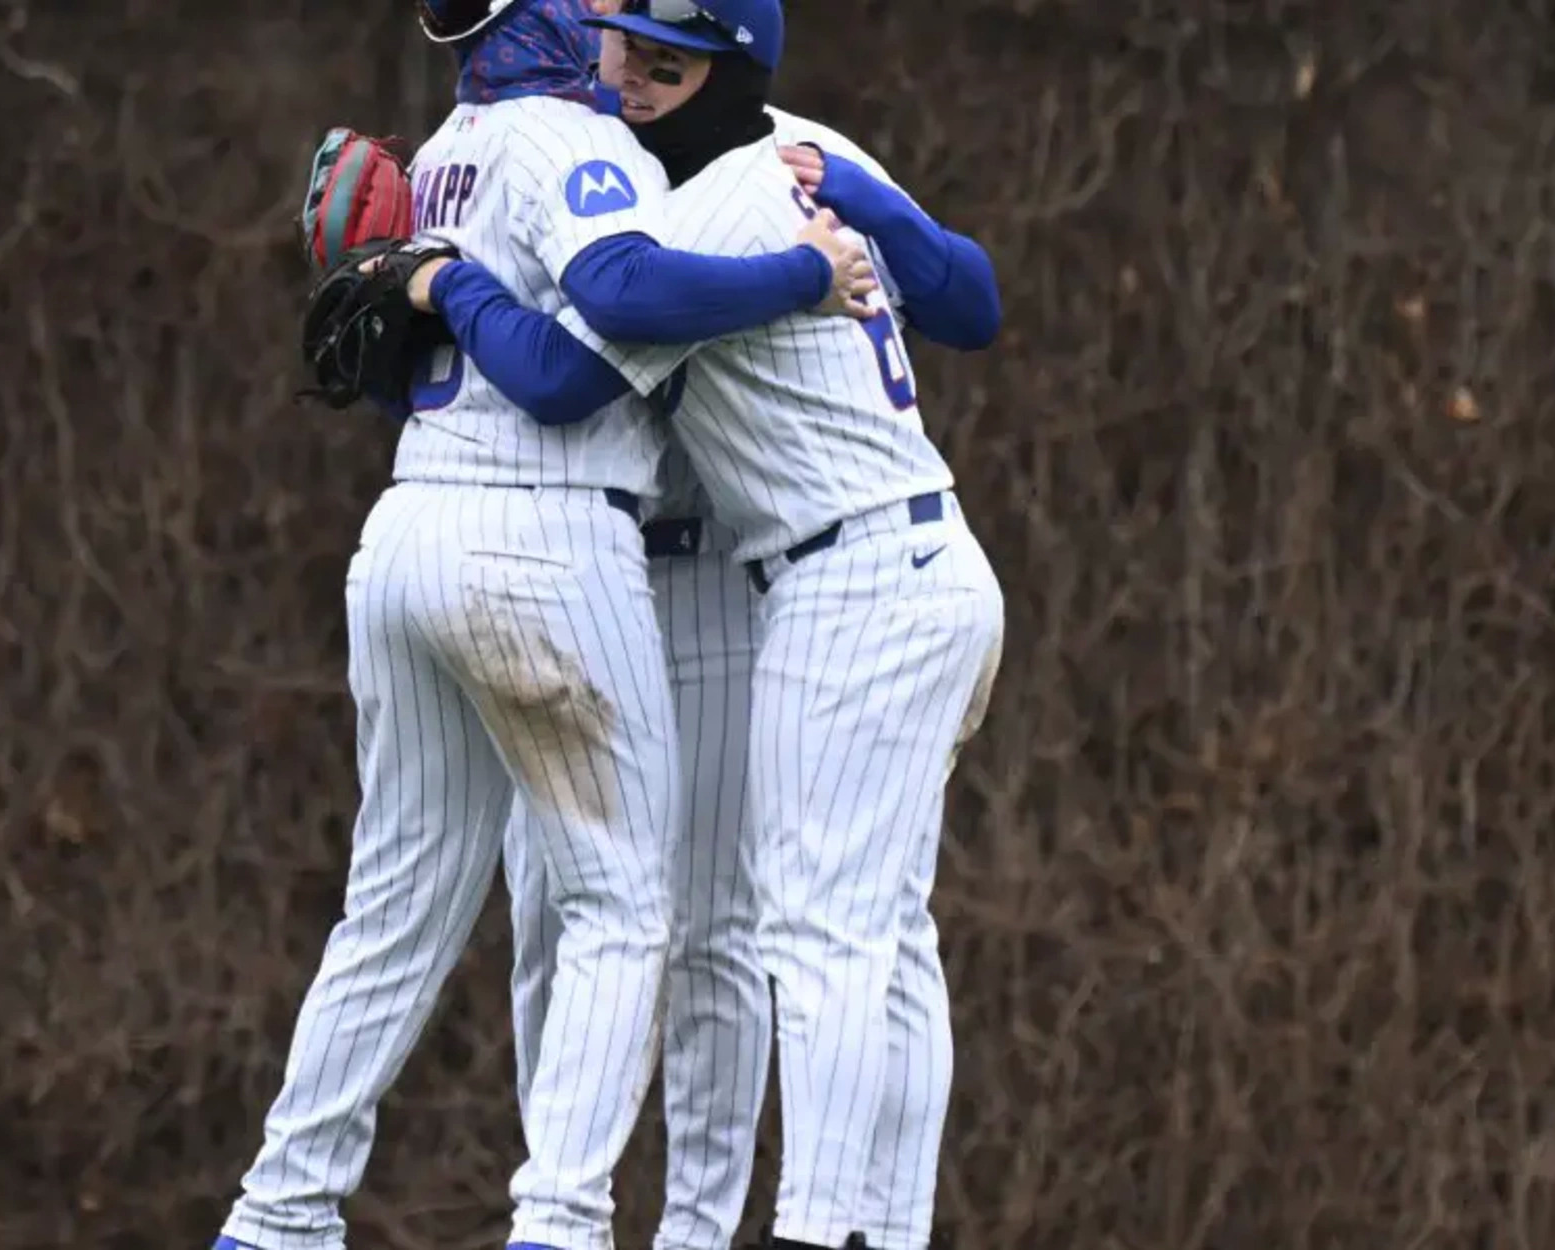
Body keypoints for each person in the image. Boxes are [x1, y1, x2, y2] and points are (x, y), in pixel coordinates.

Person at [208, 3, 882, 1250]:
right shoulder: (574, 140)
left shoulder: (445, 148)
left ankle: (276, 1216)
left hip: (409, 530)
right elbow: (593, 342)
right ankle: (562, 1225)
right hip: (542, 541)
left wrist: (439, 280)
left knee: (391, 912)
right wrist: (802, 273)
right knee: (623, 909)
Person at [406, 4, 1008, 1247]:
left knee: (819, 929)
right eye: (621, 43)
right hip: (923, 562)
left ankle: (817, 1227)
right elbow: (970, 299)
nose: (624, 72)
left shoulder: (704, 215)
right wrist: (875, 212)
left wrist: (441, 279)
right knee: (888, 933)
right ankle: (883, 1228)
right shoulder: (804, 148)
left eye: (659, 59)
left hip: (851, 578)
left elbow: (565, 373)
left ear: (721, 70)